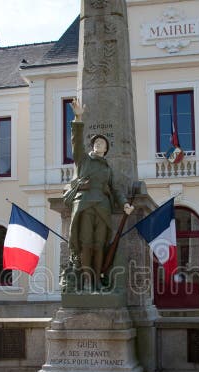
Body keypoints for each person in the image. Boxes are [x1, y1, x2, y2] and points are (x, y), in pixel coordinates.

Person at [64, 99, 134, 291]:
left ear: (106, 149)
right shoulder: (83, 160)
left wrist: (125, 204)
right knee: (86, 243)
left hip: (103, 206)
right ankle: (87, 280)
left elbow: (116, 189)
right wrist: (78, 117)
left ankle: (96, 281)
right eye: (95, 142)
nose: (98, 144)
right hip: (85, 204)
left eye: (101, 142)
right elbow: (76, 142)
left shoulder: (108, 169)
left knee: (99, 244)